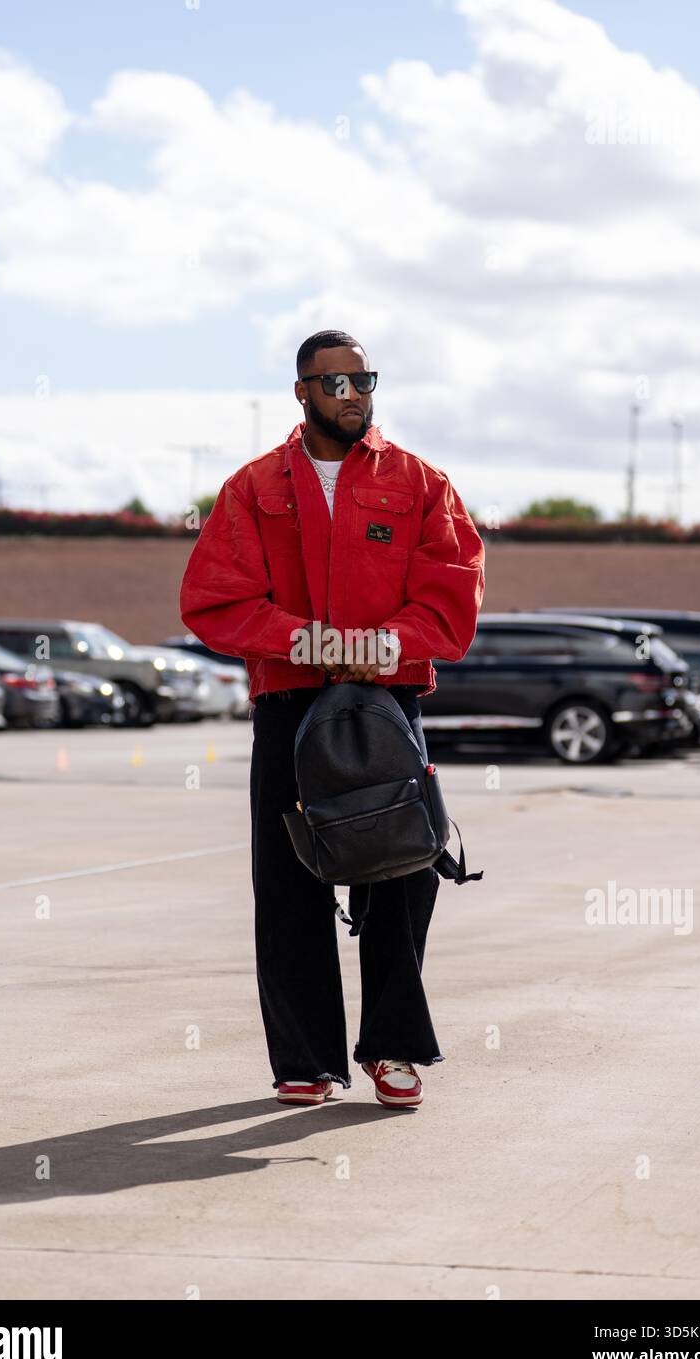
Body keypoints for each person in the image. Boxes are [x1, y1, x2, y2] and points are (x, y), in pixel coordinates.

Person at [179, 330, 485, 1107]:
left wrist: (385, 645)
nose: (352, 395)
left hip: (388, 701)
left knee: (403, 868)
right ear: (302, 392)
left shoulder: (419, 483)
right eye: (334, 383)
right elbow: (215, 599)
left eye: (363, 381)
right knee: (287, 883)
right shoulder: (254, 488)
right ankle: (307, 1059)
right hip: (289, 702)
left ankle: (392, 1048)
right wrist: (298, 638)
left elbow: (453, 592)